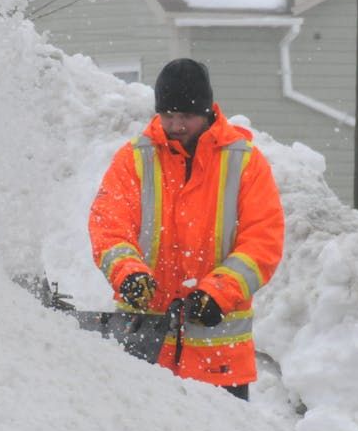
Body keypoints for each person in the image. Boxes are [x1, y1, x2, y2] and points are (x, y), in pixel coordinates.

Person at [88, 59, 285, 399]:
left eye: (186, 116)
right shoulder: (134, 159)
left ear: (207, 111)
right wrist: (127, 273)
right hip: (143, 353)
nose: (176, 125)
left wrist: (220, 292)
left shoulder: (245, 162)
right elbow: (108, 226)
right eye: (168, 115)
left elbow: (263, 241)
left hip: (219, 362)